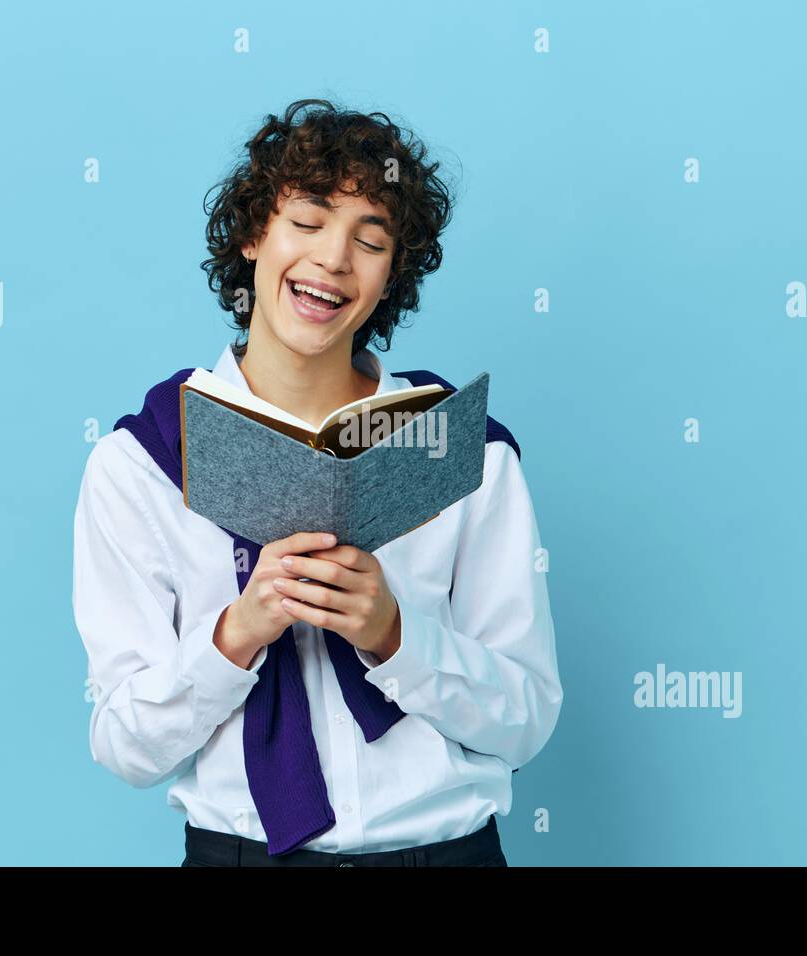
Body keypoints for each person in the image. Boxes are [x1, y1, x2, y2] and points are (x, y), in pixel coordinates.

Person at [72, 99, 562, 867]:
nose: (334, 258)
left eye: (370, 242)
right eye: (307, 222)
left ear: (389, 278)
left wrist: (395, 636)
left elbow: (527, 719)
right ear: (251, 236)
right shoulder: (140, 467)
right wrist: (236, 635)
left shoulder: (462, 454)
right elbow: (125, 748)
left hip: (445, 853)